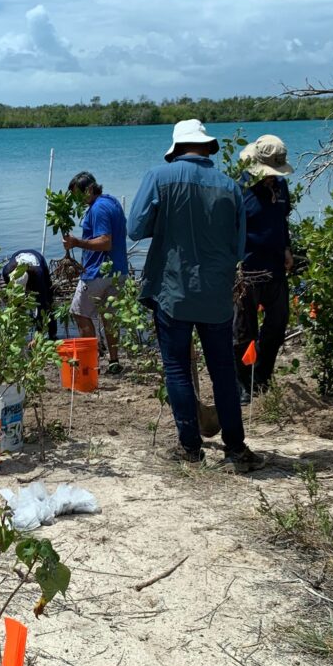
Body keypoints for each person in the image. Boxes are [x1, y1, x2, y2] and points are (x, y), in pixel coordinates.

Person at [128, 119, 264, 472]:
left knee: (176, 369)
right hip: (216, 294)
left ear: (177, 149)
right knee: (222, 370)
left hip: (172, 291)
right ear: (207, 148)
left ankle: (190, 447)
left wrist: (168, 221)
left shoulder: (159, 177)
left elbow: (134, 229)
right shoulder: (231, 187)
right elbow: (238, 248)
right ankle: (235, 447)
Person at [234, 135, 295, 404]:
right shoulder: (240, 189)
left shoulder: (281, 186)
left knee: (278, 324)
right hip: (246, 271)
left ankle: (262, 376)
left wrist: (287, 248)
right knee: (244, 331)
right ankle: (243, 384)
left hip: (276, 268)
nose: (272, 177)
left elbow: (282, 221)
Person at [62, 171, 128, 375]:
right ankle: (114, 361)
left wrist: (77, 242)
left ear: (89, 189)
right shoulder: (112, 202)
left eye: (79, 195)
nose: (78, 201)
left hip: (98, 272)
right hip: (118, 271)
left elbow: (105, 241)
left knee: (79, 313)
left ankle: (91, 363)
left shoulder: (98, 208)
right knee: (109, 317)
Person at [1, 249, 58, 340]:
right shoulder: (7, 272)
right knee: (16, 306)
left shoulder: (38, 276)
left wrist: (37, 336)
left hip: (38, 260)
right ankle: (14, 335)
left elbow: (41, 306)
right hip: (18, 255)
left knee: (47, 301)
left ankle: (53, 334)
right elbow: (11, 299)